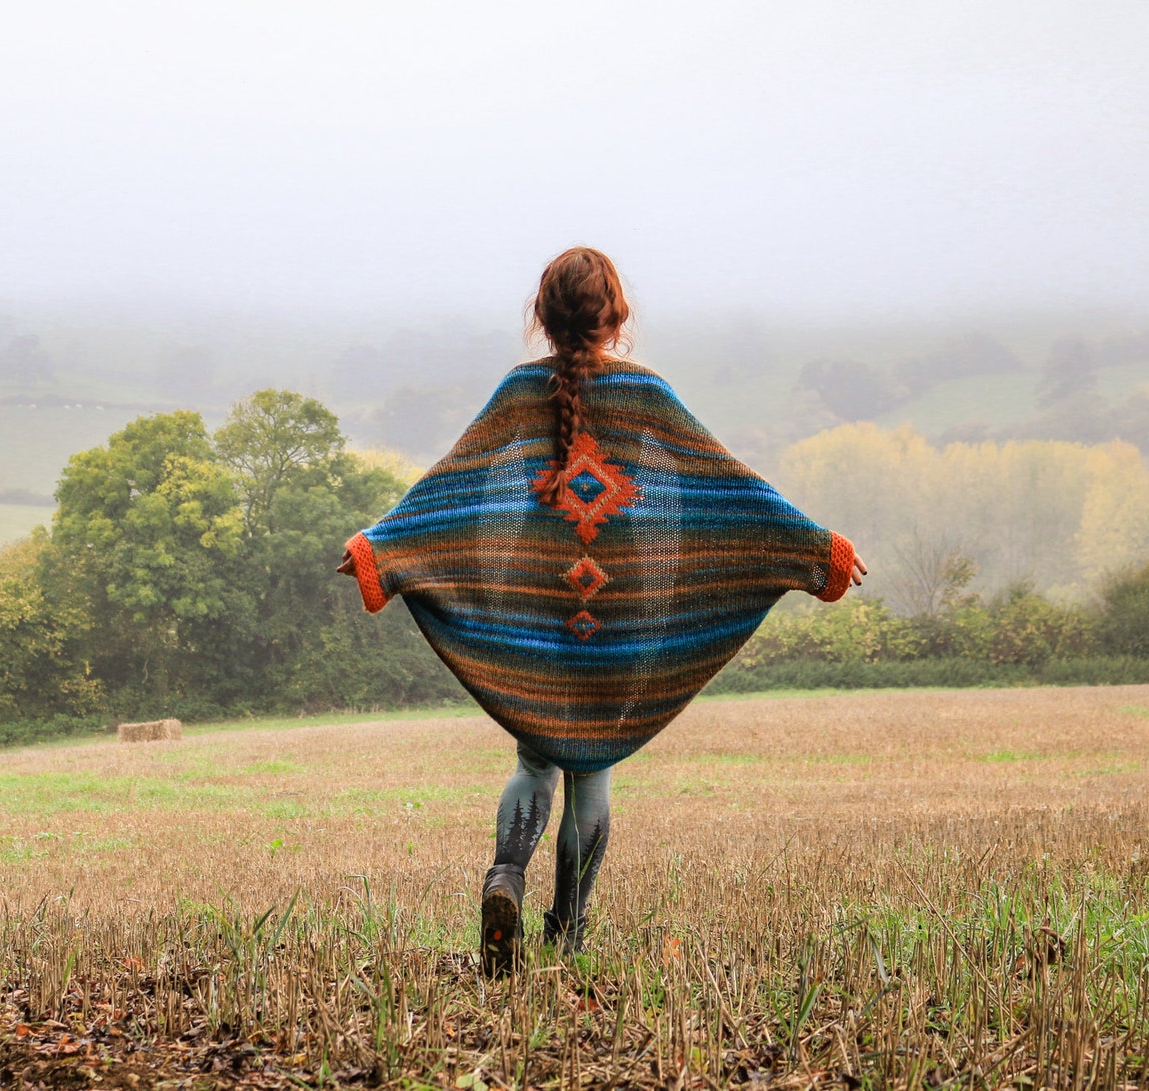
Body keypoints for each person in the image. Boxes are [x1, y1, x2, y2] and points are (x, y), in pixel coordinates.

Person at [338, 247, 866, 975]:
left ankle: (506, 876)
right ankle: (569, 930)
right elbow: (727, 491)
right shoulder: (647, 396)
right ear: (616, 314)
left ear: (543, 316)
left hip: (539, 618)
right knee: (594, 772)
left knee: (534, 759)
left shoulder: (516, 393)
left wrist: (382, 547)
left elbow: (451, 489)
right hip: (616, 622)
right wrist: (812, 548)